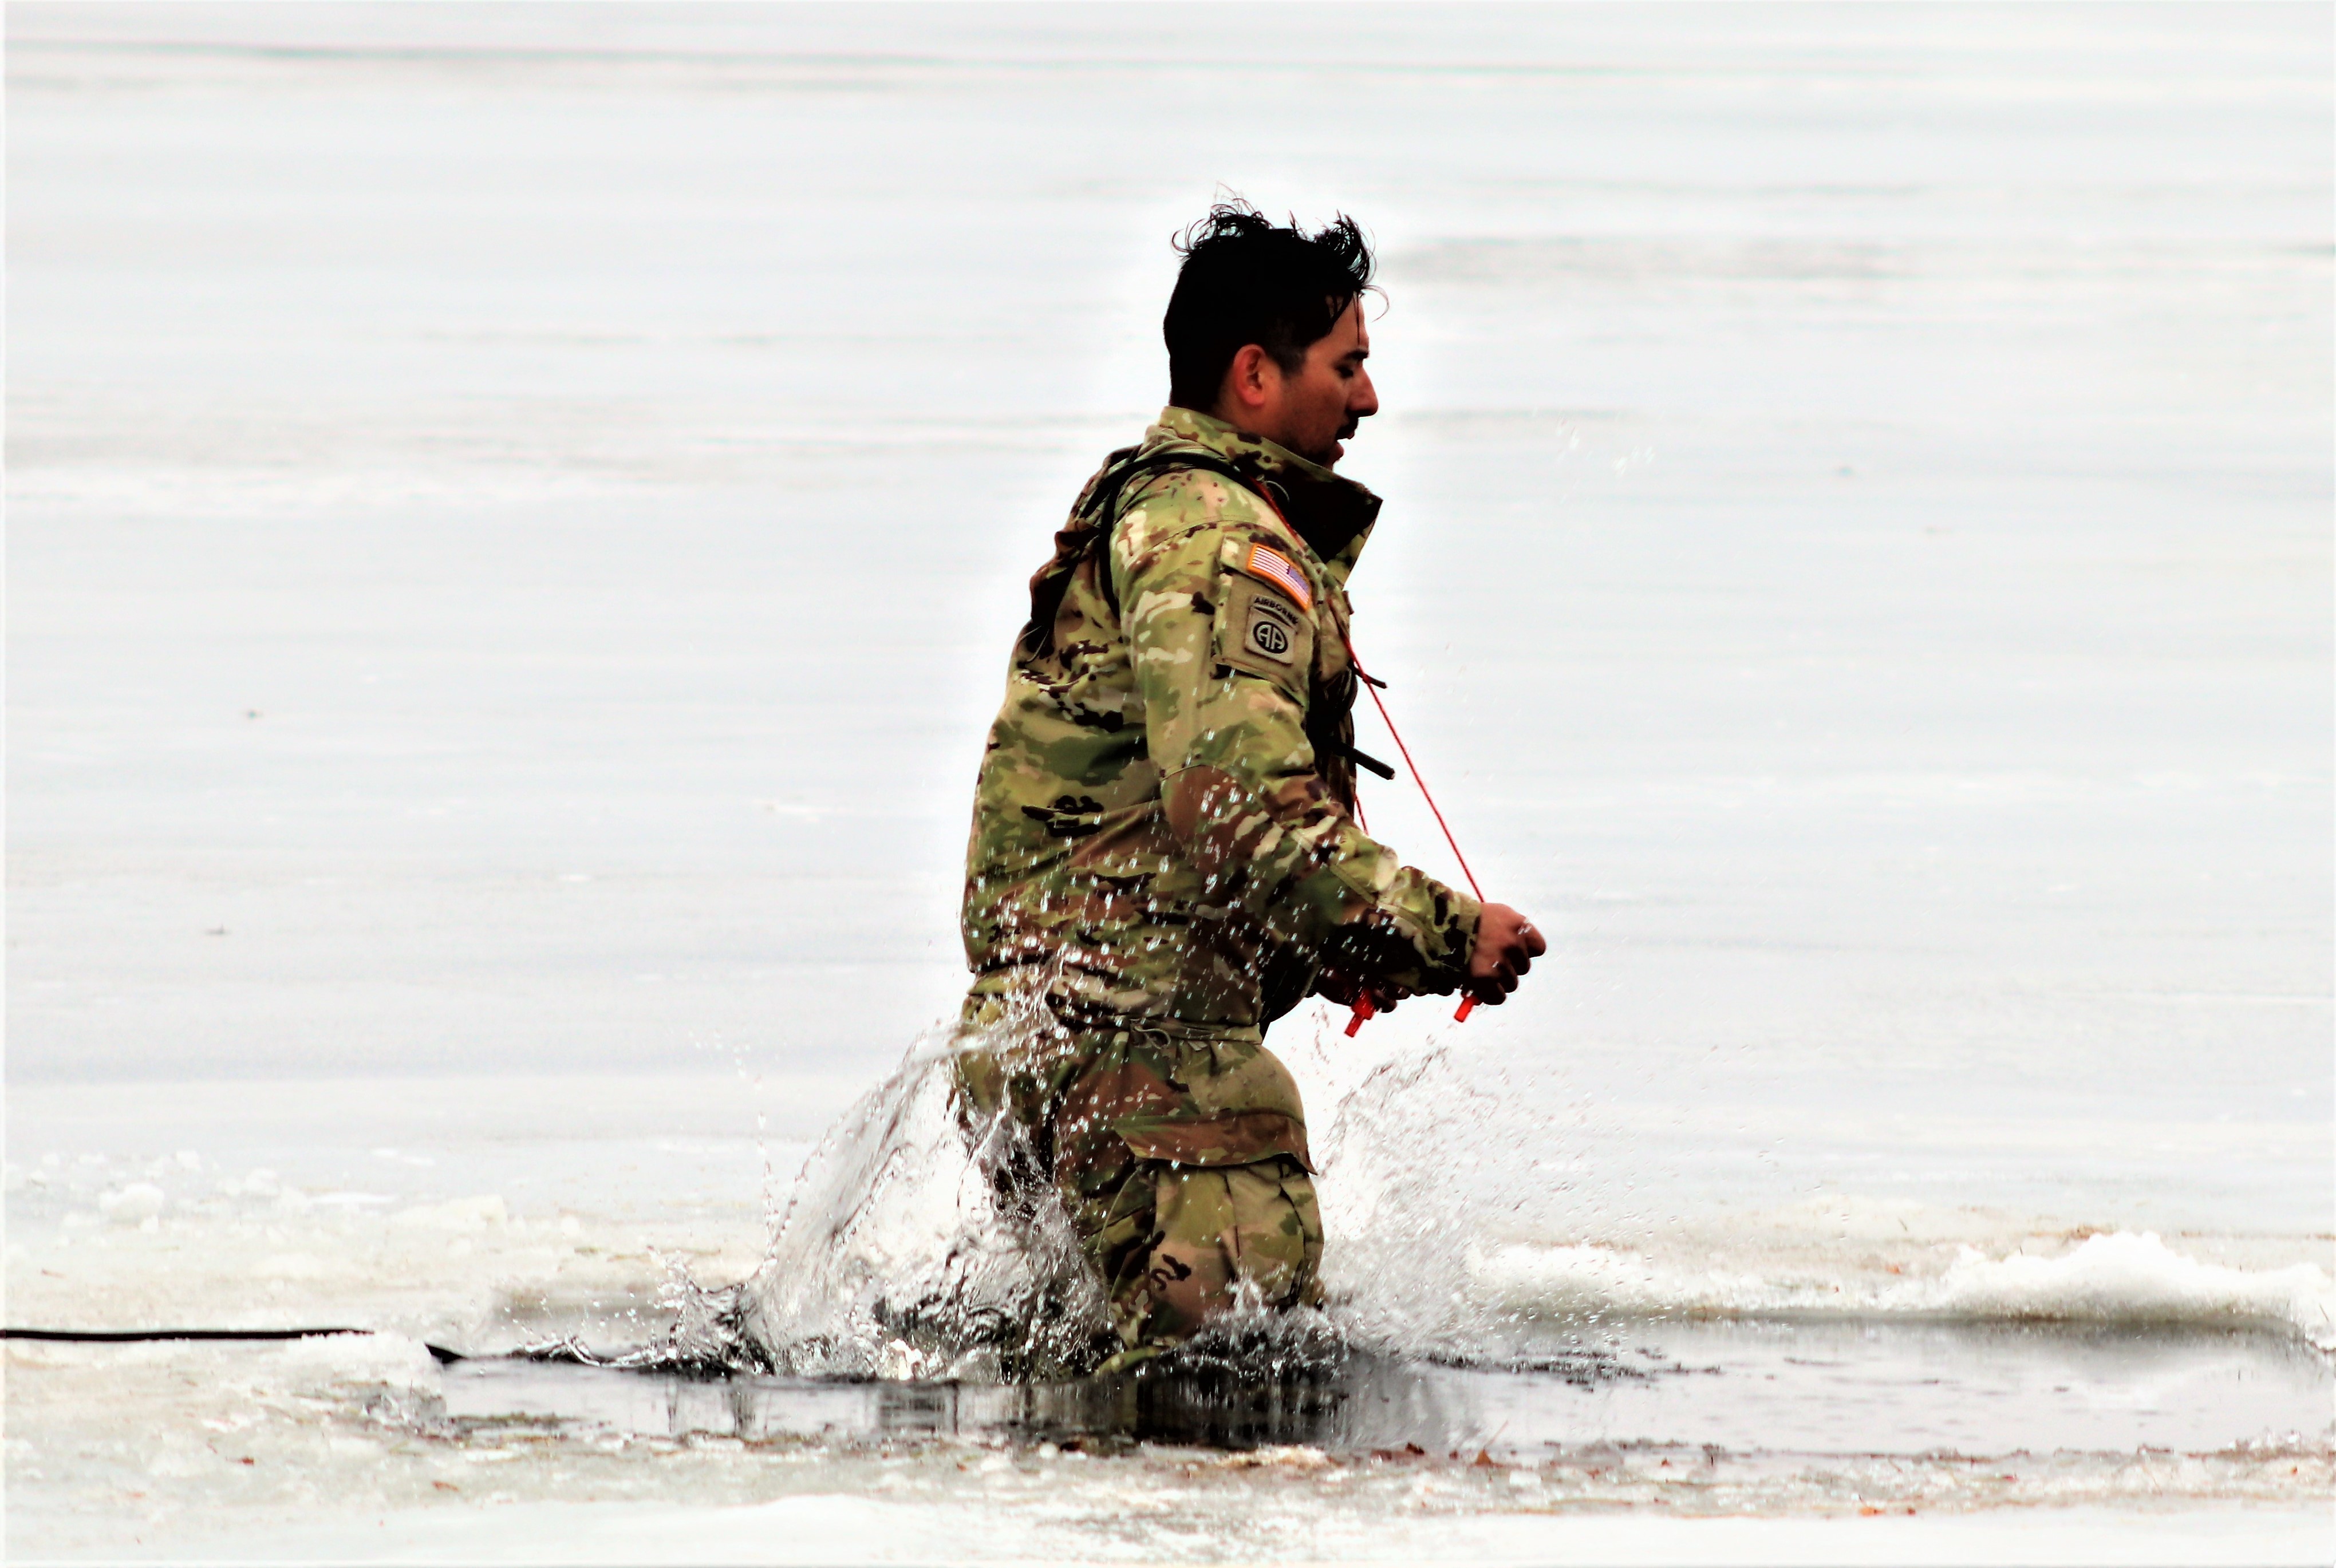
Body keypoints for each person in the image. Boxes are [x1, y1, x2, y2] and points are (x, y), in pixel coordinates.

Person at [954, 202, 1545, 1370]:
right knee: (1234, 1421)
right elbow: (1241, 818)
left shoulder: (1162, 512)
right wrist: (1441, 932)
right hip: (1151, 1063)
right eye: (1350, 364)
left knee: (1116, 1407)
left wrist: (1367, 951)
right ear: (1256, 377)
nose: (1369, 400)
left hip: (1051, 1049)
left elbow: (1180, 835)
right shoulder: (1223, 542)